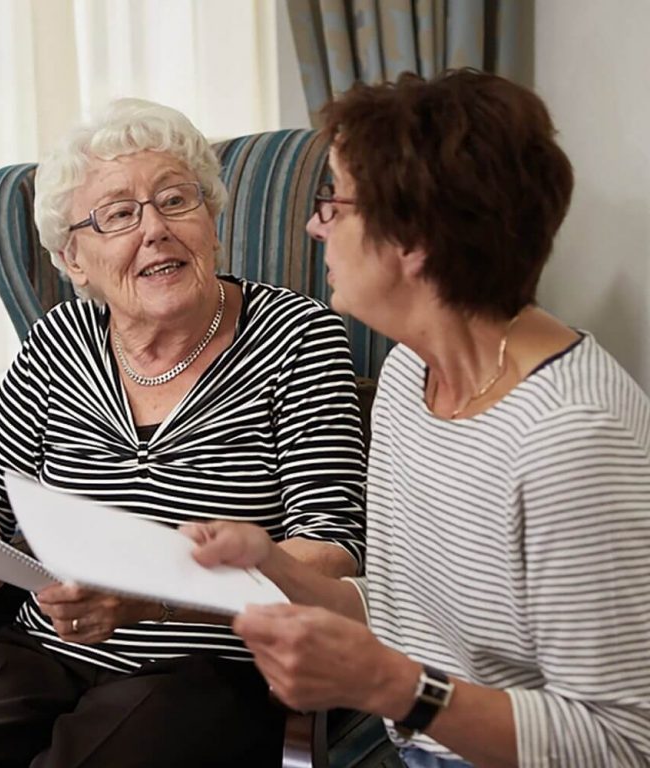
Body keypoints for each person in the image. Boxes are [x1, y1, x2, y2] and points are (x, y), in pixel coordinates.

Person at [183, 70, 650, 768]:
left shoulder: (573, 440)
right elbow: (407, 618)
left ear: (414, 240)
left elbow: (620, 741)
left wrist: (386, 682)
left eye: (333, 203)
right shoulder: (409, 374)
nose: (315, 224)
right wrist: (273, 566)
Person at [0, 99, 366, 768]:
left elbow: (333, 551)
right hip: (43, 648)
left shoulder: (299, 339)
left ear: (211, 221)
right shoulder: (56, 343)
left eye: (176, 200)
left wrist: (153, 599)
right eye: (119, 214)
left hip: (213, 664)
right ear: (75, 259)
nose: (155, 229)